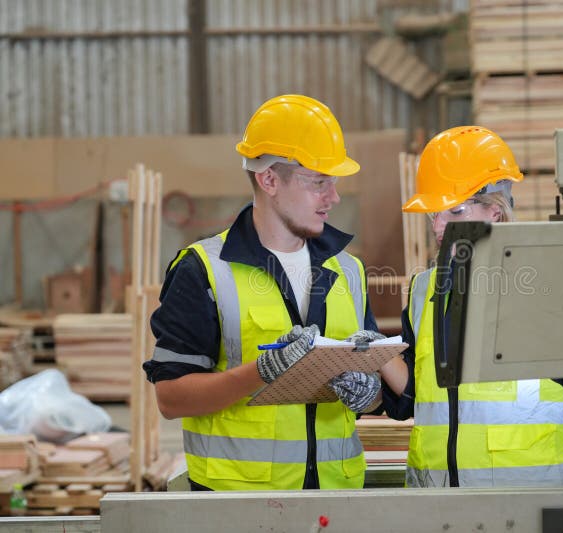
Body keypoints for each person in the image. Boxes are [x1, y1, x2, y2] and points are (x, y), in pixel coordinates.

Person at [143, 94, 385, 491]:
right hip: (238, 504)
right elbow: (171, 398)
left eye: (334, 183)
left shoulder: (349, 270)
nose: (334, 197)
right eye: (319, 182)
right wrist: (262, 373)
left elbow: (372, 389)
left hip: (337, 498)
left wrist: (370, 395)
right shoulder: (204, 269)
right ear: (269, 179)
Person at [380, 126, 563, 488]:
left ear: (496, 211)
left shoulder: (544, 287)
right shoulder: (424, 289)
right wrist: (370, 355)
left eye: (454, 210)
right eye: (433, 214)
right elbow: (415, 396)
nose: (439, 227)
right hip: (435, 503)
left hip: (529, 503)